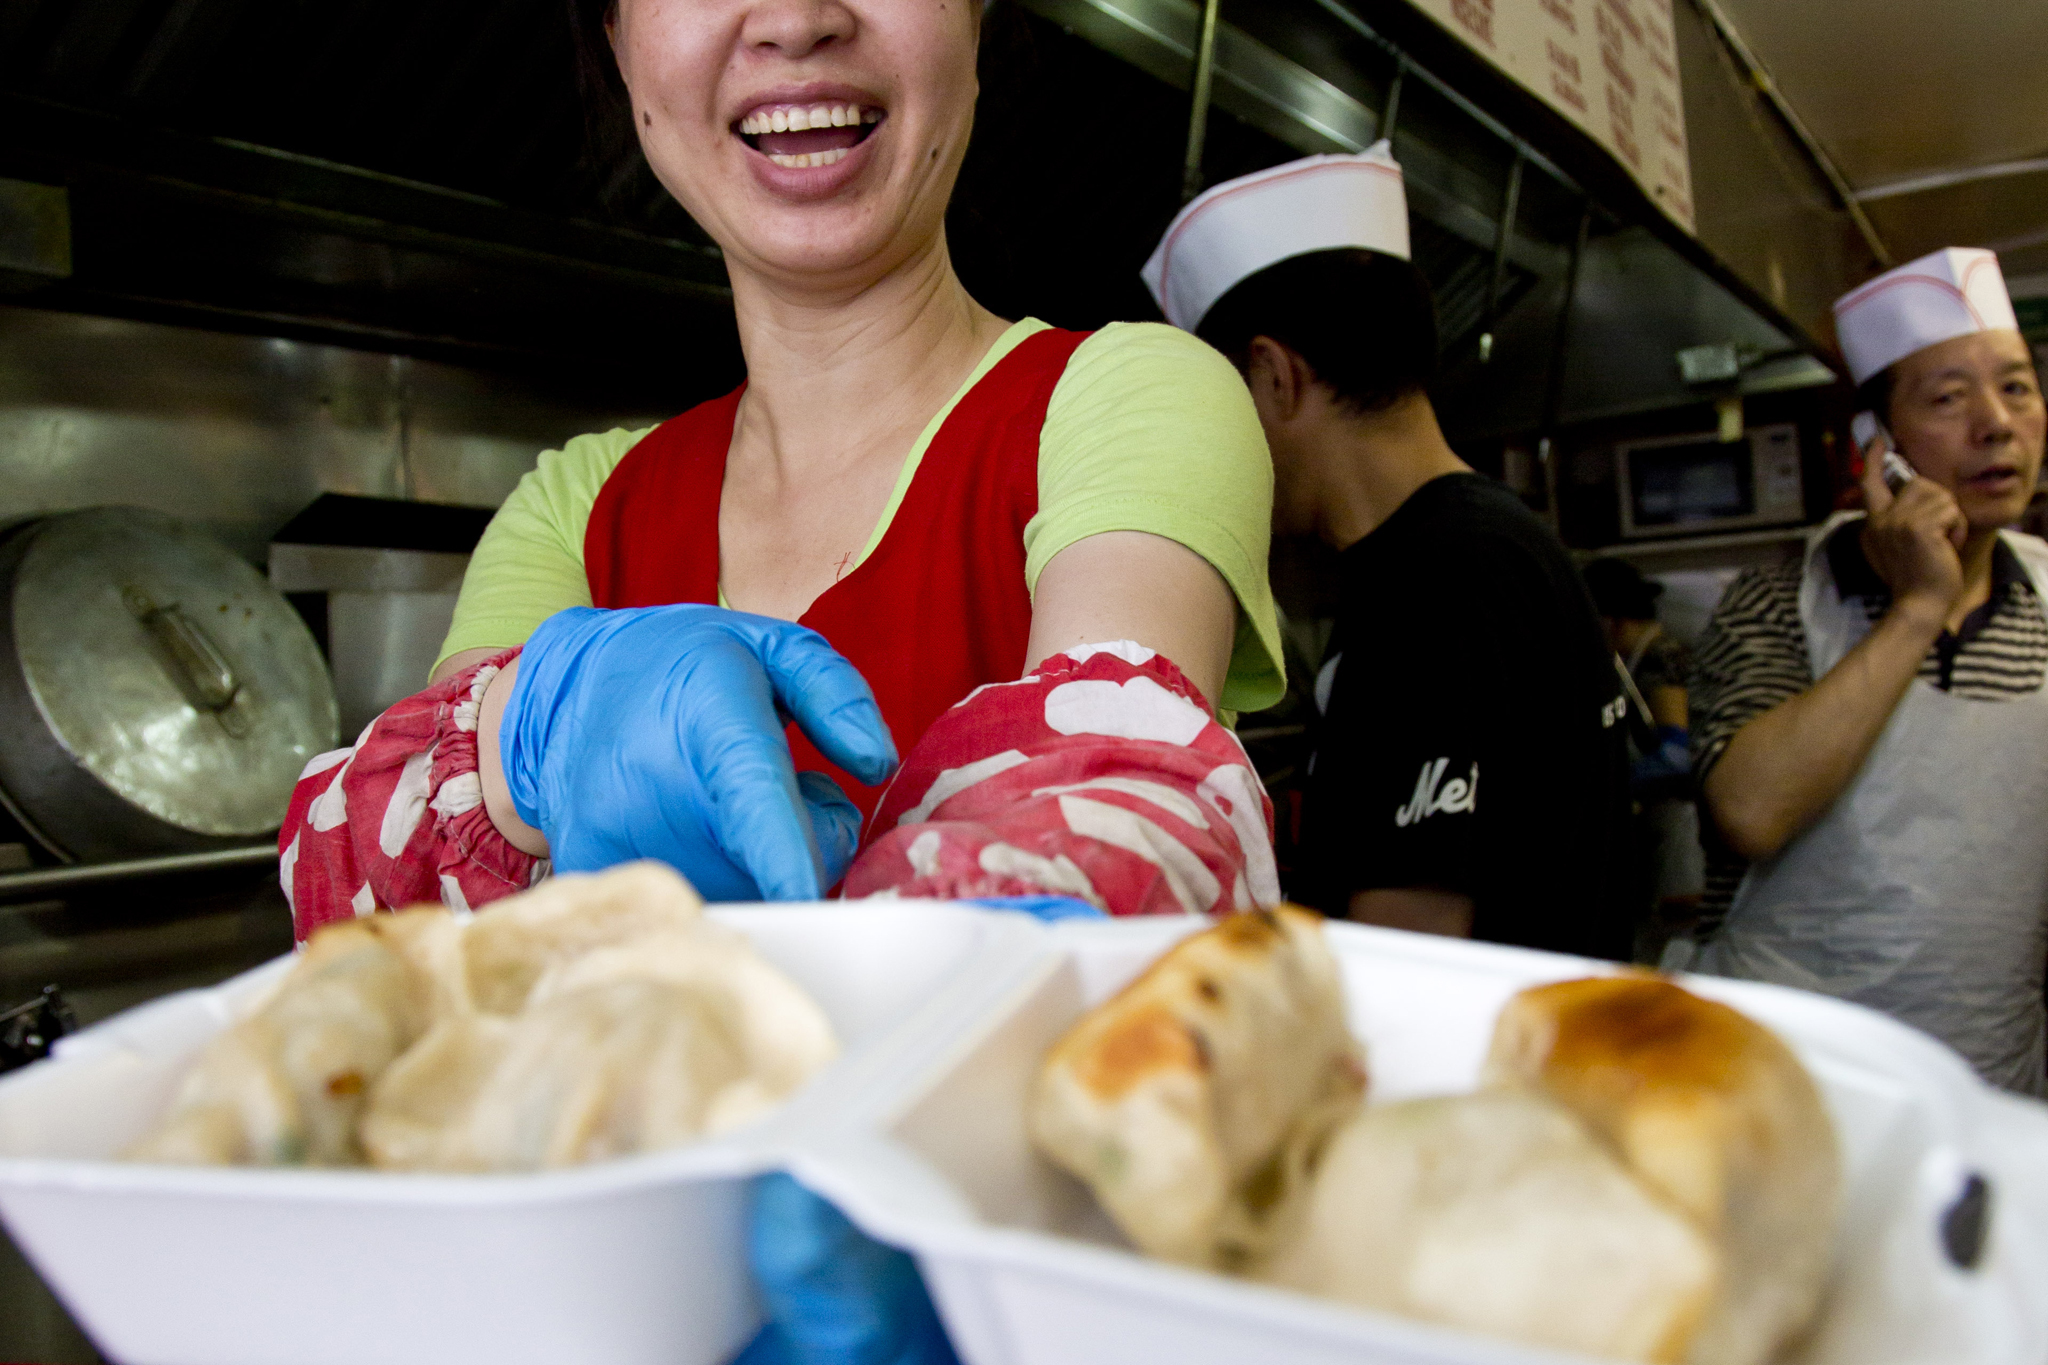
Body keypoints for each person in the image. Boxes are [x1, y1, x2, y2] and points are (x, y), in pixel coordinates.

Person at [277, 0, 1292, 936]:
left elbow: (1116, 798)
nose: (798, 20)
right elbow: (395, 903)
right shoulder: (579, 506)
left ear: (975, 23)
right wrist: (521, 747)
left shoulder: (1123, 397)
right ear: (620, 44)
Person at [1143, 147, 1633, 960]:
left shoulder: (1443, 578)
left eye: (1218, 406)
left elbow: (1409, 945)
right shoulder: (1484, 543)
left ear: (1273, 376)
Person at [1691, 247, 2048, 1095]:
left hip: (1992, 1087)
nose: (1995, 423)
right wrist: (1917, 609)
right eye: (1949, 398)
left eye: (2018, 387)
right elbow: (1751, 810)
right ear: (1875, 446)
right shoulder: (1777, 601)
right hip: (1791, 1085)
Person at [1583, 556, 1703, 956]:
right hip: (1664, 830)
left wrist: (1608, 783)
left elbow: (1676, 753)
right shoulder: (1636, 664)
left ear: (1610, 621)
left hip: (1685, 834)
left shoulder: (1661, 659)